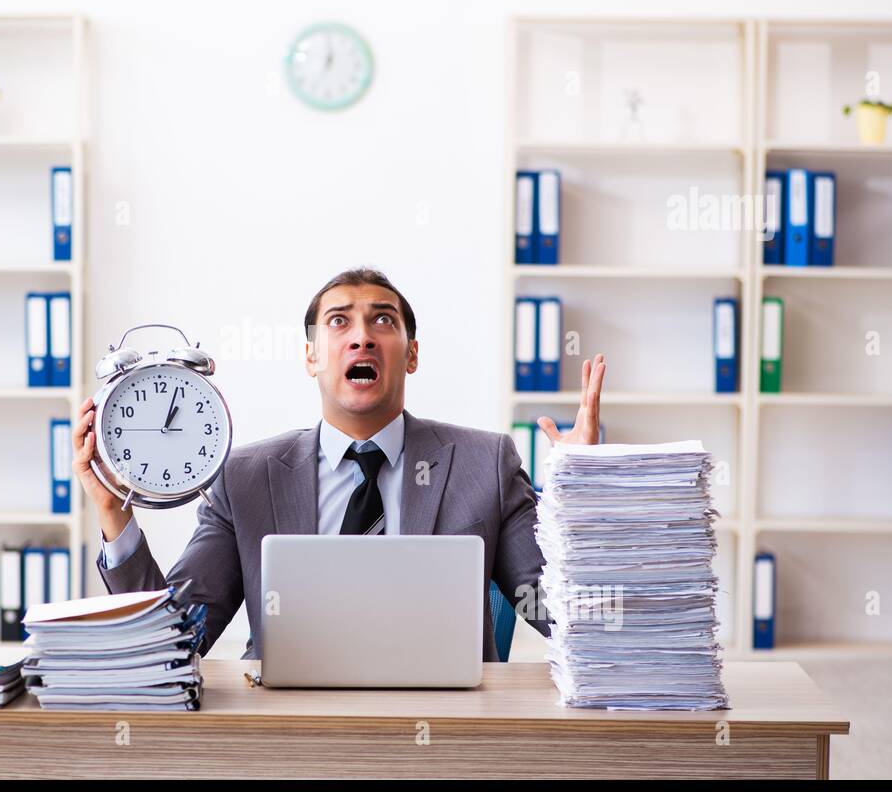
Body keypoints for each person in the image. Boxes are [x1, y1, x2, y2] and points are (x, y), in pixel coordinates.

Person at [73, 267, 605, 660]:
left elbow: (568, 619)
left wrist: (581, 493)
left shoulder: (483, 463)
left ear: (411, 354)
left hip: (444, 739)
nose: (362, 335)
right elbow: (172, 643)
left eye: (383, 320)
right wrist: (112, 511)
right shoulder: (245, 478)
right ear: (312, 357)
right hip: (292, 742)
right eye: (339, 322)